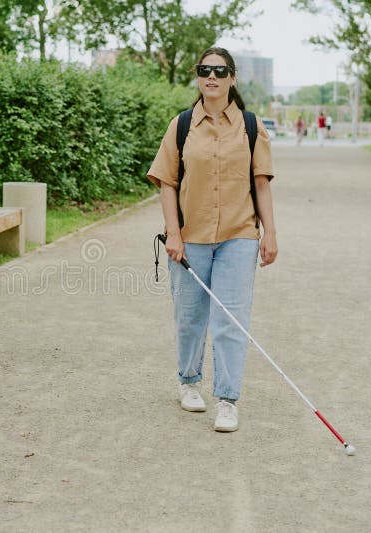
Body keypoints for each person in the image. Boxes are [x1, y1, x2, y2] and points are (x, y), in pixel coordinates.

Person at [147, 47, 277, 433]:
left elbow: (261, 184)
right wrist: (173, 232)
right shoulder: (182, 125)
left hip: (239, 236)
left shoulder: (251, 127)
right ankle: (188, 383)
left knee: (230, 319)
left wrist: (270, 233)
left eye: (220, 71)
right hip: (191, 238)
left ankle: (227, 399)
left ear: (233, 78)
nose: (213, 77)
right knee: (190, 318)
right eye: (205, 70)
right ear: (198, 77)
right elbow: (167, 182)